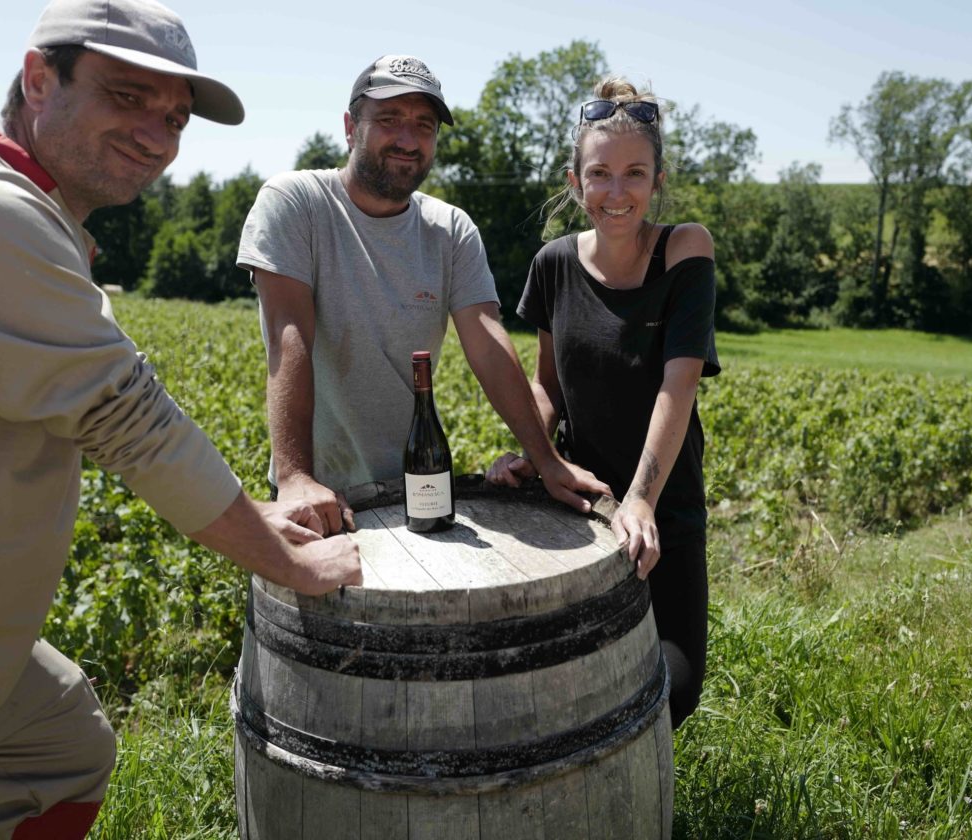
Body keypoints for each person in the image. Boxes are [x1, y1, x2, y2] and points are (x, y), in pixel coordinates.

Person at [0, 0, 361, 836]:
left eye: (175, 117)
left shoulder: (16, 206)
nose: (158, 135)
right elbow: (123, 414)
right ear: (39, 79)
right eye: (126, 96)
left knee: (60, 749)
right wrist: (286, 561)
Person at [237, 55, 610, 534]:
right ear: (351, 127)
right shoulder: (297, 203)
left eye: (424, 125)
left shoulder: (450, 230)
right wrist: (295, 478)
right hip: (319, 496)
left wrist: (547, 459)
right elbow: (289, 336)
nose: (408, 140)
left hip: (419, 486)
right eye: (389, 120)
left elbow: (489, 345)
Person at [485, 78, 720, 730]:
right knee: (566, 688)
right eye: (600, 174)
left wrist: (643, 498)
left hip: (663, 510)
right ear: (575, 179)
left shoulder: (685, 250)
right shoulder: (553, 263)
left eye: (634, 173)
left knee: (672, 689)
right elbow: (547, 390)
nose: (617, 193)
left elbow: (681, 385)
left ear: (658, 179)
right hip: (580, 510)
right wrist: (529, 453)